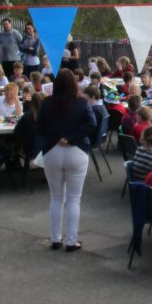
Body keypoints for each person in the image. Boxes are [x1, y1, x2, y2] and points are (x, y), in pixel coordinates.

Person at [36, 69, 97, 252]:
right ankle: (71, 241)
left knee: (56, 197)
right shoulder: (82, 102)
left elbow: (39, 129)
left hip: (52, 151)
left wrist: (56, 136)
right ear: (74, 84)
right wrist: (71, 137)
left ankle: (56, 239)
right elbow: (92, 124)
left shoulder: (46, 103)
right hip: (76, 151)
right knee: (73, 199)